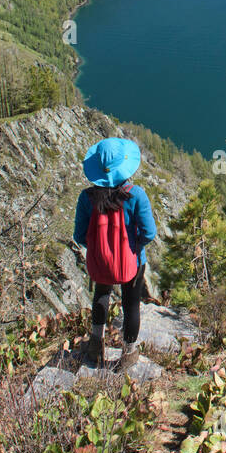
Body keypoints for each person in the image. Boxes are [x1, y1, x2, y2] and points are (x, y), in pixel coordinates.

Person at [74, 137, 159, 371]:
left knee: (101, 296)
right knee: (131, 304)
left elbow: (79, 235)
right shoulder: (136, 195)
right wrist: (133, 248)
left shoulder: (87, 198)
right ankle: (128, 354)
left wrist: (100, 248)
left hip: (100, 261)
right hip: (131, 262)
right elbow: (149, 233)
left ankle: (95, 345)